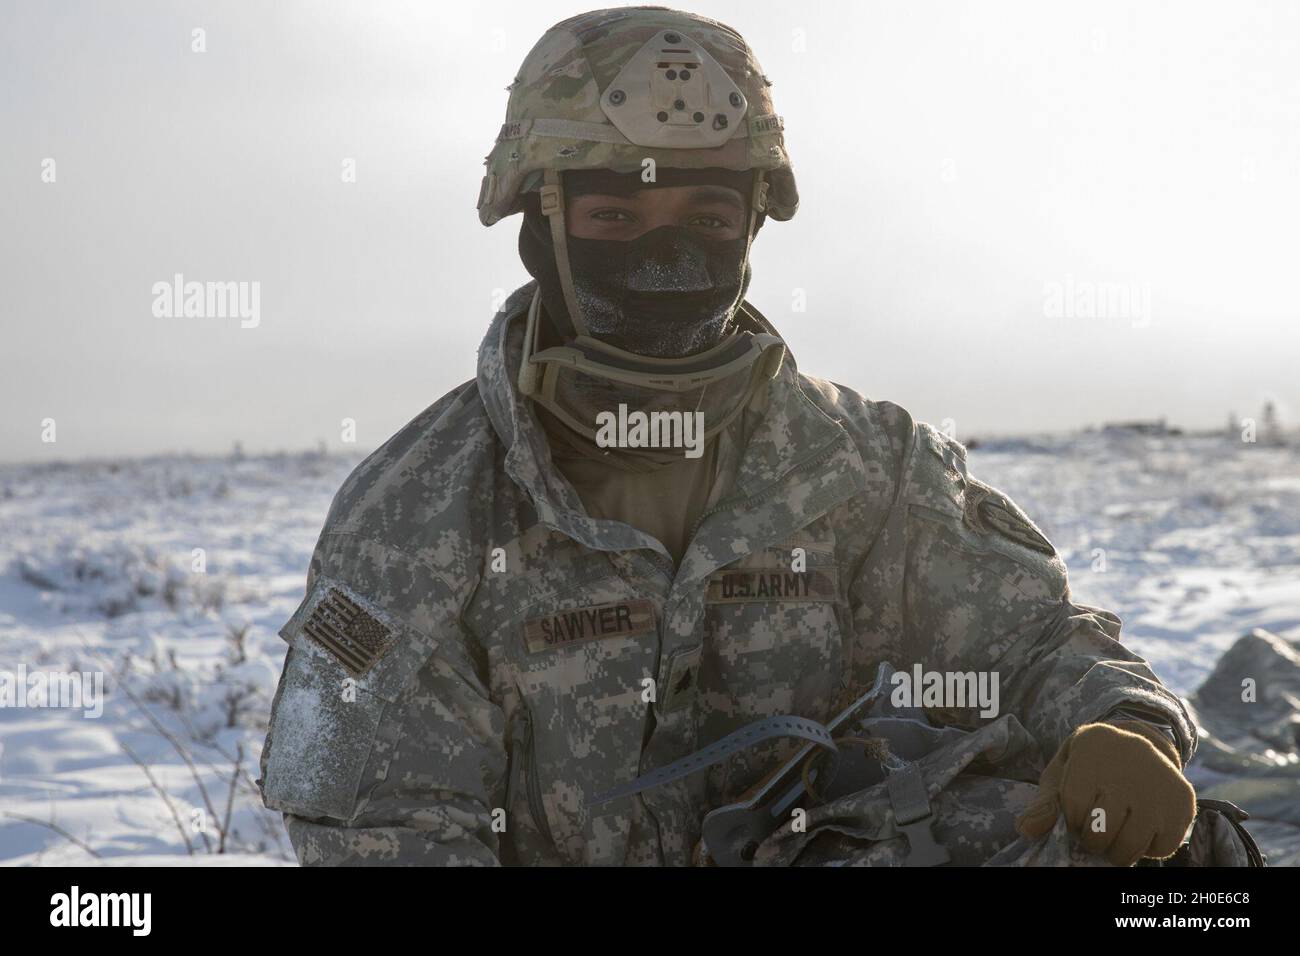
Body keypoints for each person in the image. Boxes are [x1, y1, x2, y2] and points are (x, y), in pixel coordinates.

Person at [258, 6, 1196, 866]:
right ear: (541, 225)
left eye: (704, 217)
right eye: (616, 214)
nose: (665, 252)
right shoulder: (413, 517)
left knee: (1180, 868)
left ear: (750, 226)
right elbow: (384, 836)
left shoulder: (864, 463)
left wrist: (1121, 724)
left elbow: (1031, 638)